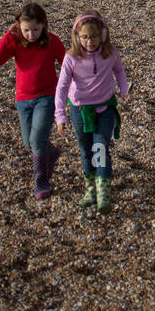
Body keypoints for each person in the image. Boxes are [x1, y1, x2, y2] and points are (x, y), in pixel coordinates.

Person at [0, 3, 65, 200]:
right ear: (19, 27)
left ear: (44, 26)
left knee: (37, 140)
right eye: (26, 30)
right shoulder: (15, 42)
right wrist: (8, 35)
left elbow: (67, 66)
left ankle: (41, 181)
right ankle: (52, 153)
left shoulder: (53, 41)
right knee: (28, 142)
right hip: (23, 100)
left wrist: (70, 96)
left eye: (36, 30)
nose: (31, 35)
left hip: (47, 97)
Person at [55, 12, 129, 213]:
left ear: (103, 35)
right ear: (77, 37)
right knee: (86, 150)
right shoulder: (71, 58)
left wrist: (124, 90)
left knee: (100, 148)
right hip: (79, 110)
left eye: (94, 36)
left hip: (105, 107)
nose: (89, 41)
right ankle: (91, 190)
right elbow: (62, 87)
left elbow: (119, 71)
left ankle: (103, 193)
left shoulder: (111, 54)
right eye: (85, 37)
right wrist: (60, 115)